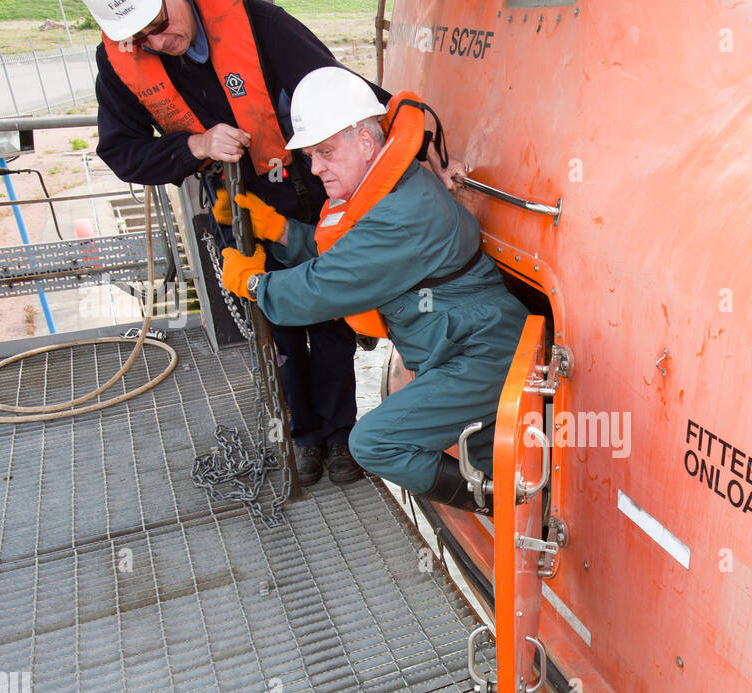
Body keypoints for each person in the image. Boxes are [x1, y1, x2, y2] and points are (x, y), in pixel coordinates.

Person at [86, 0, 461, 485]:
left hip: (307, 198)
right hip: (237, 213)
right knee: (276, 332)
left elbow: (343, 89)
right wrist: (194, 147)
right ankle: (302, 438)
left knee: (330, 322)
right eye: (141, 39)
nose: (156, 43)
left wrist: (425, 145)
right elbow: (122, 151)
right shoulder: (118, 62)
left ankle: (340, 434)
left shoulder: (258, 24)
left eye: (158, 25)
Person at [218, 67, 528, 513]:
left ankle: (499, 504)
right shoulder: (388, 188)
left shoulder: (400, 214)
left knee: (376, 443)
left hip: (481, 353)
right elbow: (348, 256)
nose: (315, 166)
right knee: (488, 453)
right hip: (463, 346)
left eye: (325, 151)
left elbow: (319, 289)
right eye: (309, 154)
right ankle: (510, 510)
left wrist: (252, 284)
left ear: (365, 142)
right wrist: (279, 231)